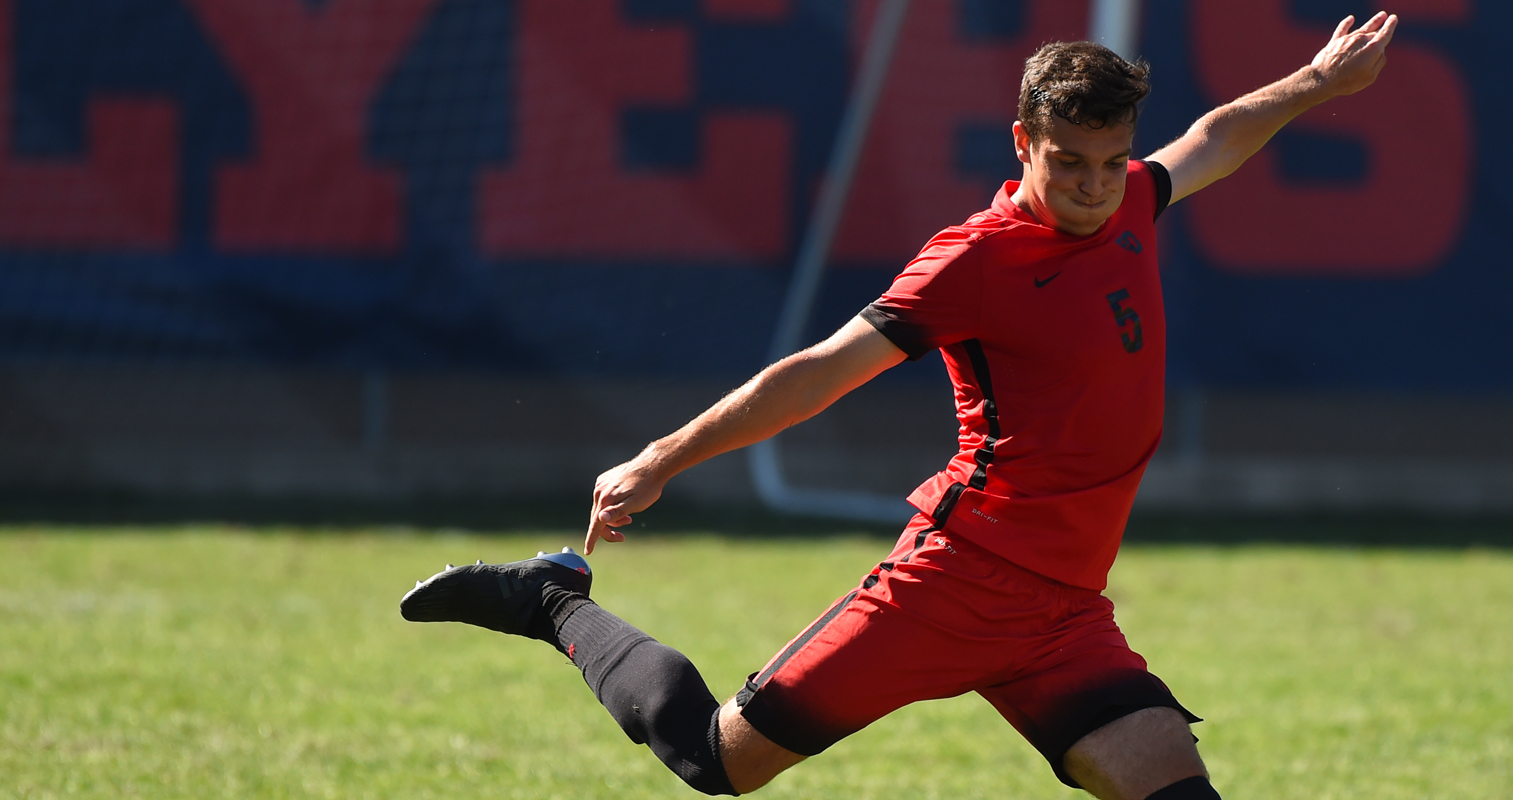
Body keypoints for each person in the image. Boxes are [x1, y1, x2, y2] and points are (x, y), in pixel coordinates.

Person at [401, 13, 1398, 799]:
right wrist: (662, 455)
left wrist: (1315, 81)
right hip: (955, 582)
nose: (1094, 187)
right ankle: (551, 601)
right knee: (716, 759)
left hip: (1061, 612)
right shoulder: (971, 259)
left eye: (1107, 161)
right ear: (1021, 142)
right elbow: (821, 368)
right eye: (1068, 163)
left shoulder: (1131, 198)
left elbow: (1212, 139)